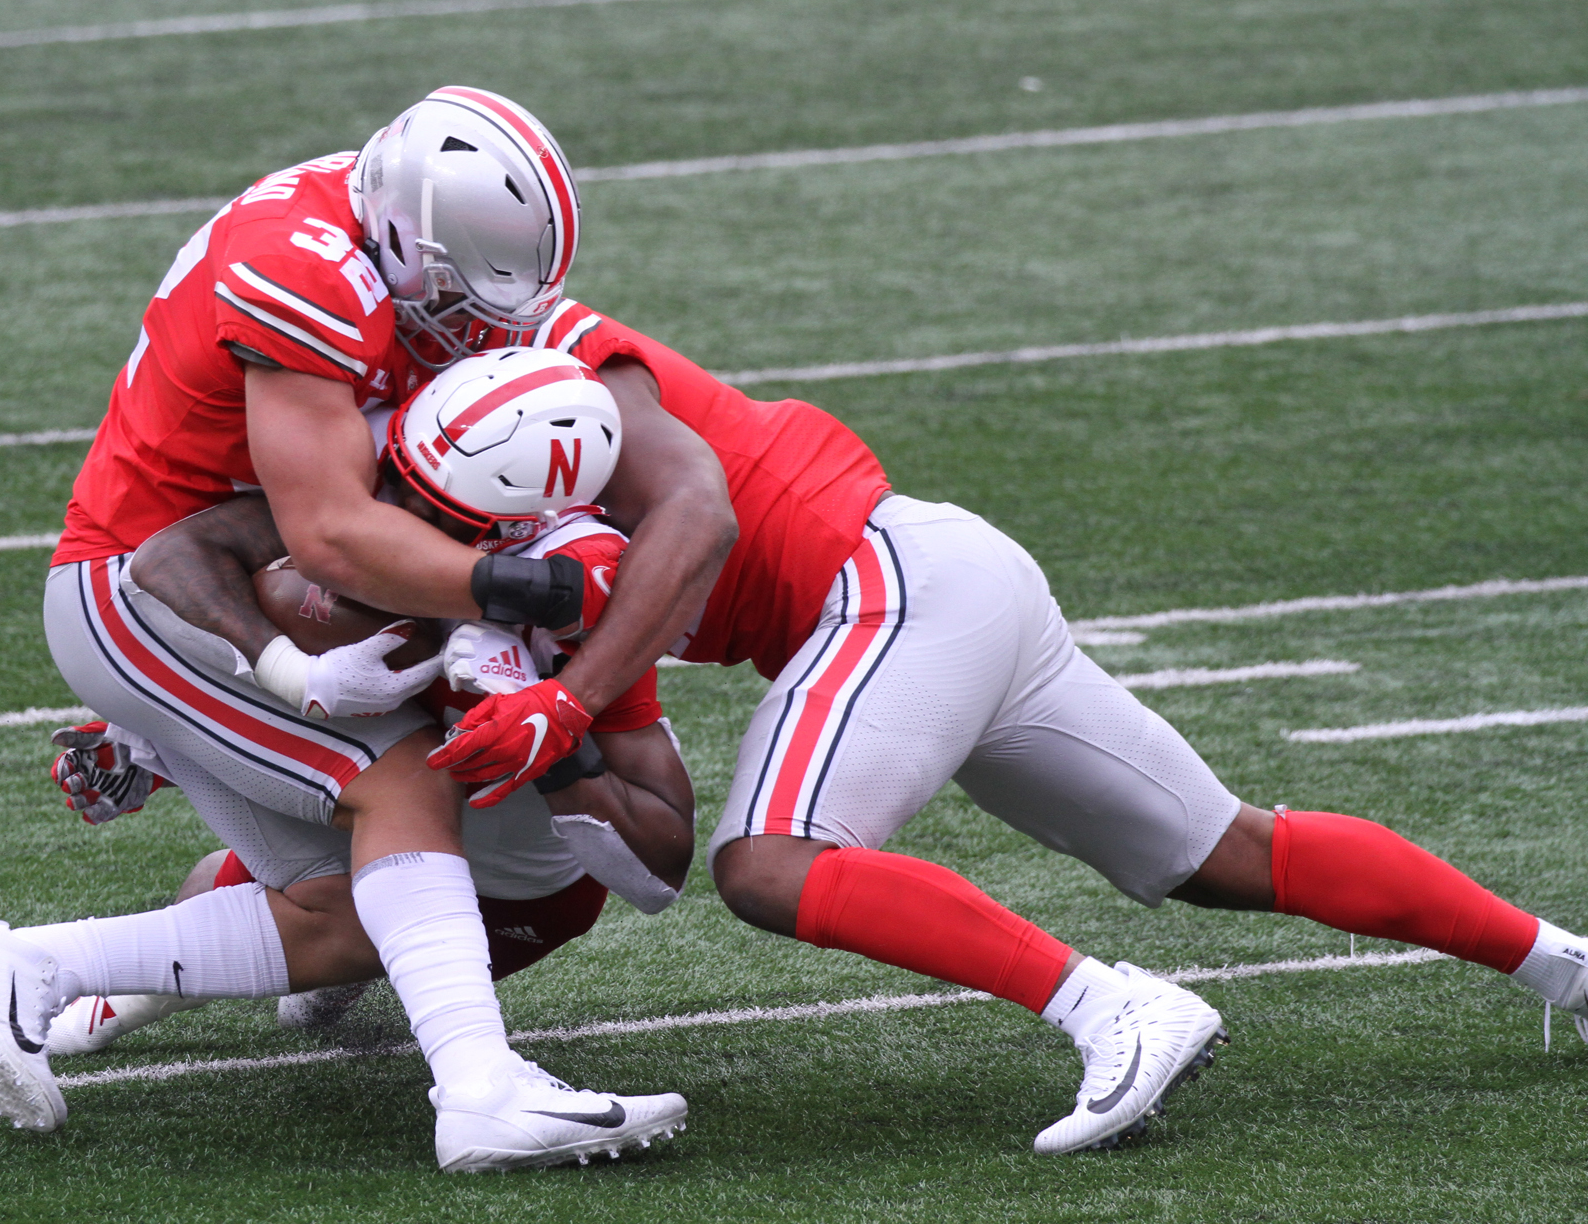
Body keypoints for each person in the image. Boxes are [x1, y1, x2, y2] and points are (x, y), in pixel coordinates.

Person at [436, 300, 1588, 1153]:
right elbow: (646, 849)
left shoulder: (546, 359)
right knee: (1226, 853)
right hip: (943, 573)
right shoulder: (486, 446)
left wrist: (564, 700)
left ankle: (1112, 1005)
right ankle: (1566, 965)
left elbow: (698, 514)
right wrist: (557, 742)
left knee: (772, 865)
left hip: (881, 582)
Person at [0, 88, 737, 1168]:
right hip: (153, 583)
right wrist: (531, 590)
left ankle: (33, 968)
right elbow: (332, 537)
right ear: (402, 230)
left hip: (222, 582)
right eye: (456, 295)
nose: (481, 329)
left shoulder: (379, 226)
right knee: (406, 789)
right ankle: (482, 1090)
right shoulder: (307, 270)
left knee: (364, 910)